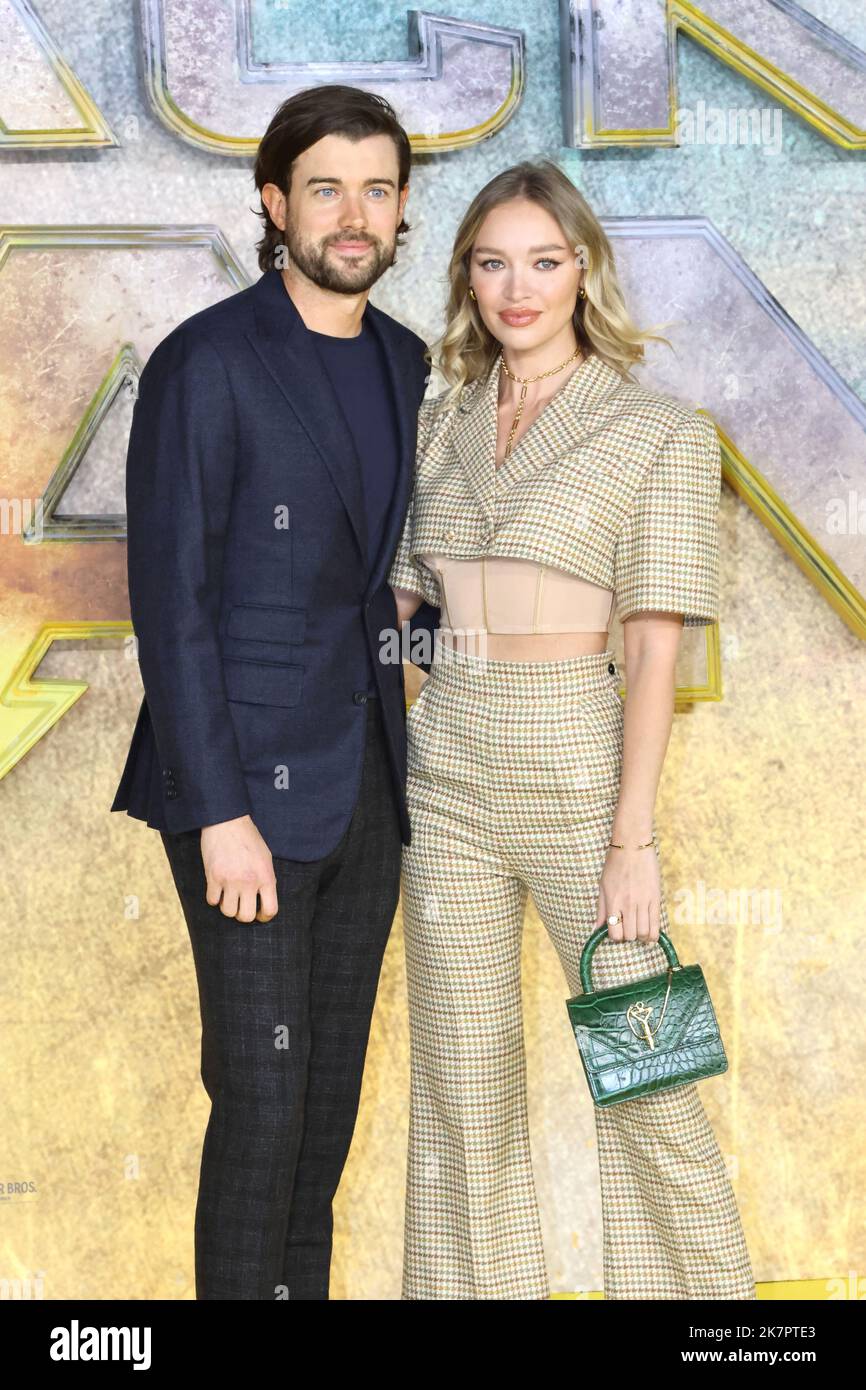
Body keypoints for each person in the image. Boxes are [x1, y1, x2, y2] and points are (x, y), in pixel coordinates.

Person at [388, 158, 757, 1301]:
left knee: (646, 1072)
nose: (517, 287)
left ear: (581, 270)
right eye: (492, 262)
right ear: (466, 276)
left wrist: (629, 838)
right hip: (444, 764)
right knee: (459, 1081)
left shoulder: (657, 431)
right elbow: (402, 610)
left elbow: (651, 649)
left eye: (542, 262)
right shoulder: (436, 418)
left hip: (580, 768)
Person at [111, 85, 440, 1300]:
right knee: (259, 1098)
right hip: (245, 798)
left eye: (376, 188)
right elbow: (174, 604)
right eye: (324, 188)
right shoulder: (209, 360)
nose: (351, 215)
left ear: (400, 210)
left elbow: (400, 577)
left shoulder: (411, 363)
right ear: (272, 203)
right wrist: (219, 811)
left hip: (367, 799)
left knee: (325, 1107)